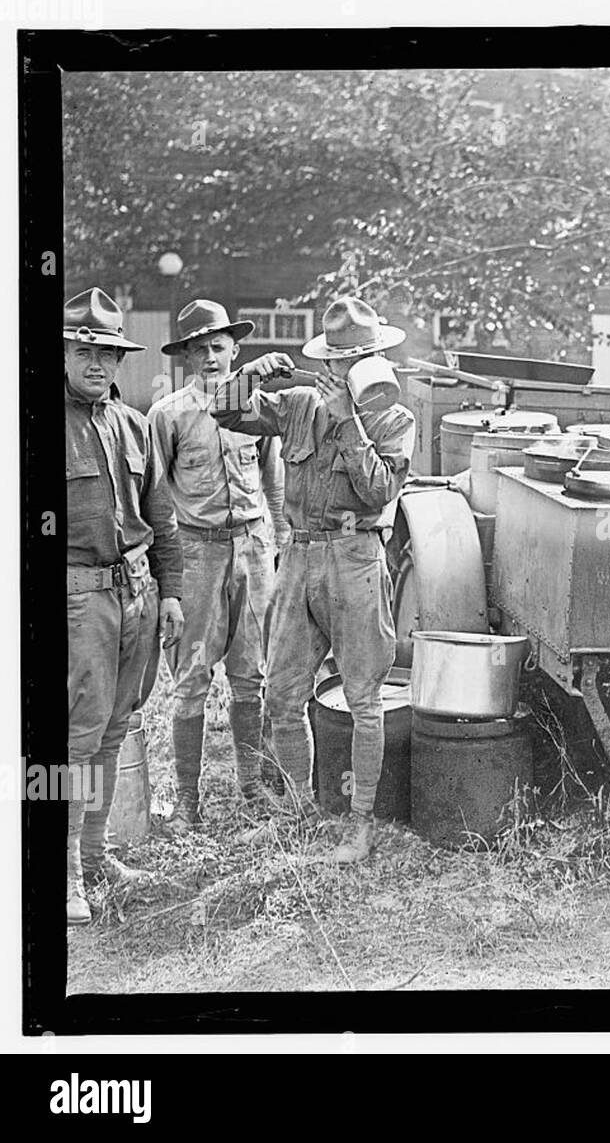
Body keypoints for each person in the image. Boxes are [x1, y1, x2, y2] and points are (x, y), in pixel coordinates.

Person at [210, 296, 414, 863]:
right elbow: (225, 414)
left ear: (373, 359)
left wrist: (349, 422)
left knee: (364, 697)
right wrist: (246, 371)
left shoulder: (394, 418)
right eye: (334, 360)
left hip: (355, 558)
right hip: (299, 559)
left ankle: (361, 827)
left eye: (352, 359)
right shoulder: (299, 404)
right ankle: (300, 815)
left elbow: (377, 492)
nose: (339, 370)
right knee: (282, 697)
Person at [65, 288, 184, 924]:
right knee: (73, 743)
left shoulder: (133, 426)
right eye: (85, 350)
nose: (97, 364)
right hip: (76, 601)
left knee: (114, 730)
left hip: (136, 594)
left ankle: (94, 854)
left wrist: (172, 595)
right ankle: (63, 875)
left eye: (108, 353)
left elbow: (161, 520)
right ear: (60, 351)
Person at [148, 300, 290, 834]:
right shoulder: (169, 415)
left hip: (253, 548)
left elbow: (272, 483)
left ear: (236, 350)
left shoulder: (260, 409)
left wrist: (276, 543)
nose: (210, 357)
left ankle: (251, 787)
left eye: (218, 347)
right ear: (185, 355)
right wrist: (167, 574)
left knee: (251, 676)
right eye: (198, 349)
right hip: (196, 554)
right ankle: (188, 801)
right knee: (190, 680)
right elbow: (156, 497)